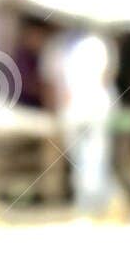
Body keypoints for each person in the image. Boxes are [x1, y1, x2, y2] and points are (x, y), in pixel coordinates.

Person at [42, 28, 117, 215]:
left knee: (91, 158)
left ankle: (94, 204)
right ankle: (92, 204)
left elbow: (51, 82)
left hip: (85, 108)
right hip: (82, 108)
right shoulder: (65, 44)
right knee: (89, 158)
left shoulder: (90, 42)